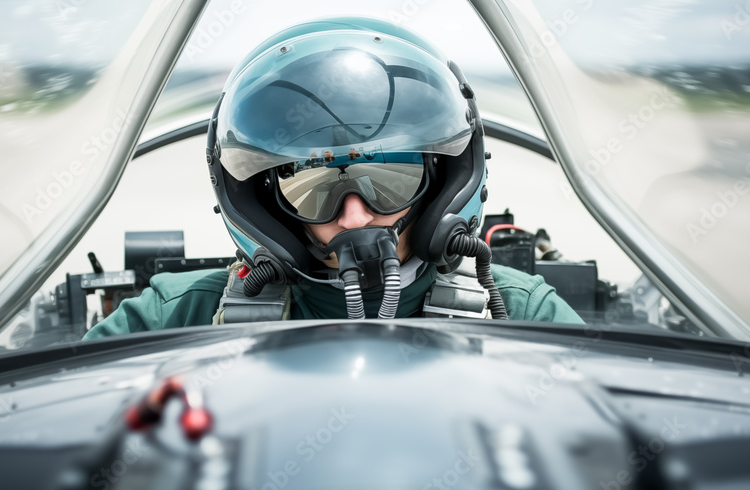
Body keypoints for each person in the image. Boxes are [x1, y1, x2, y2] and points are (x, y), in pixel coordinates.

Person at [84, 17, 581, 340]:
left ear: (442, 180)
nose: (355, 214)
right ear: (265, 202)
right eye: (314, 186)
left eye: (387, 178)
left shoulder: (521, 312)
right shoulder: (175, 315)